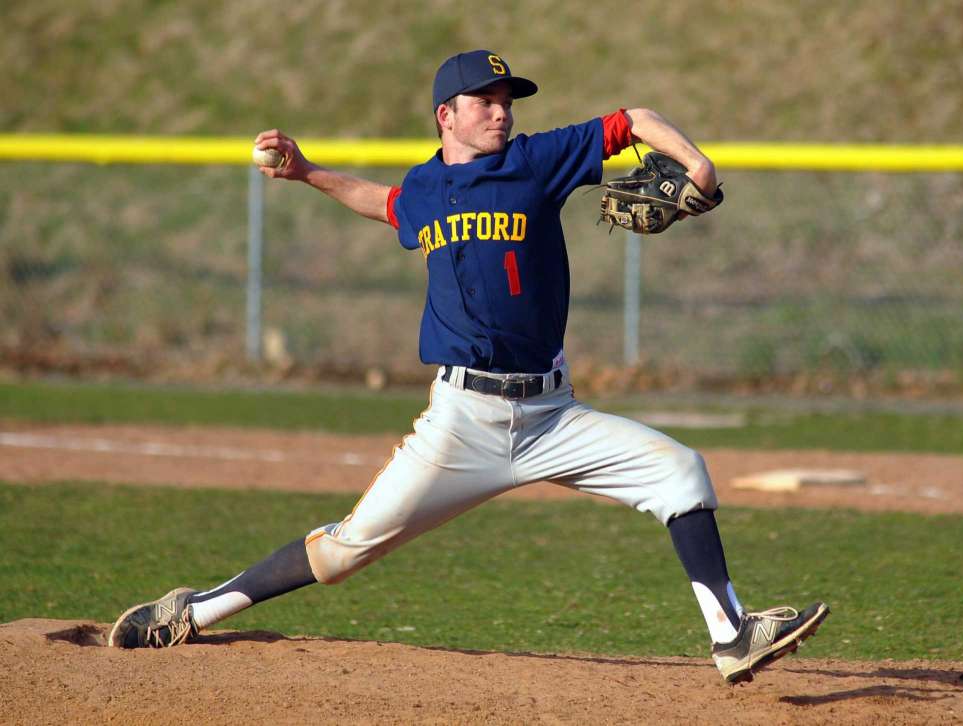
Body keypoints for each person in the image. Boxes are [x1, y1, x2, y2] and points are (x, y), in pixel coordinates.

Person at [108, 50, 828, 684]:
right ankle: (195, 610)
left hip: (552, 415)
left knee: (681, 472)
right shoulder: (425, 188)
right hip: (463, 423)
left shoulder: (536, 162)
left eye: (507, 101)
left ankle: (732, 637)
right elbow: (387, 205)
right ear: (445, 116)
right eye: (486, 101)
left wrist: (698, 165)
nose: (501, 113)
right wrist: (307, 173)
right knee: (344, 551)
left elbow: (633, 119)